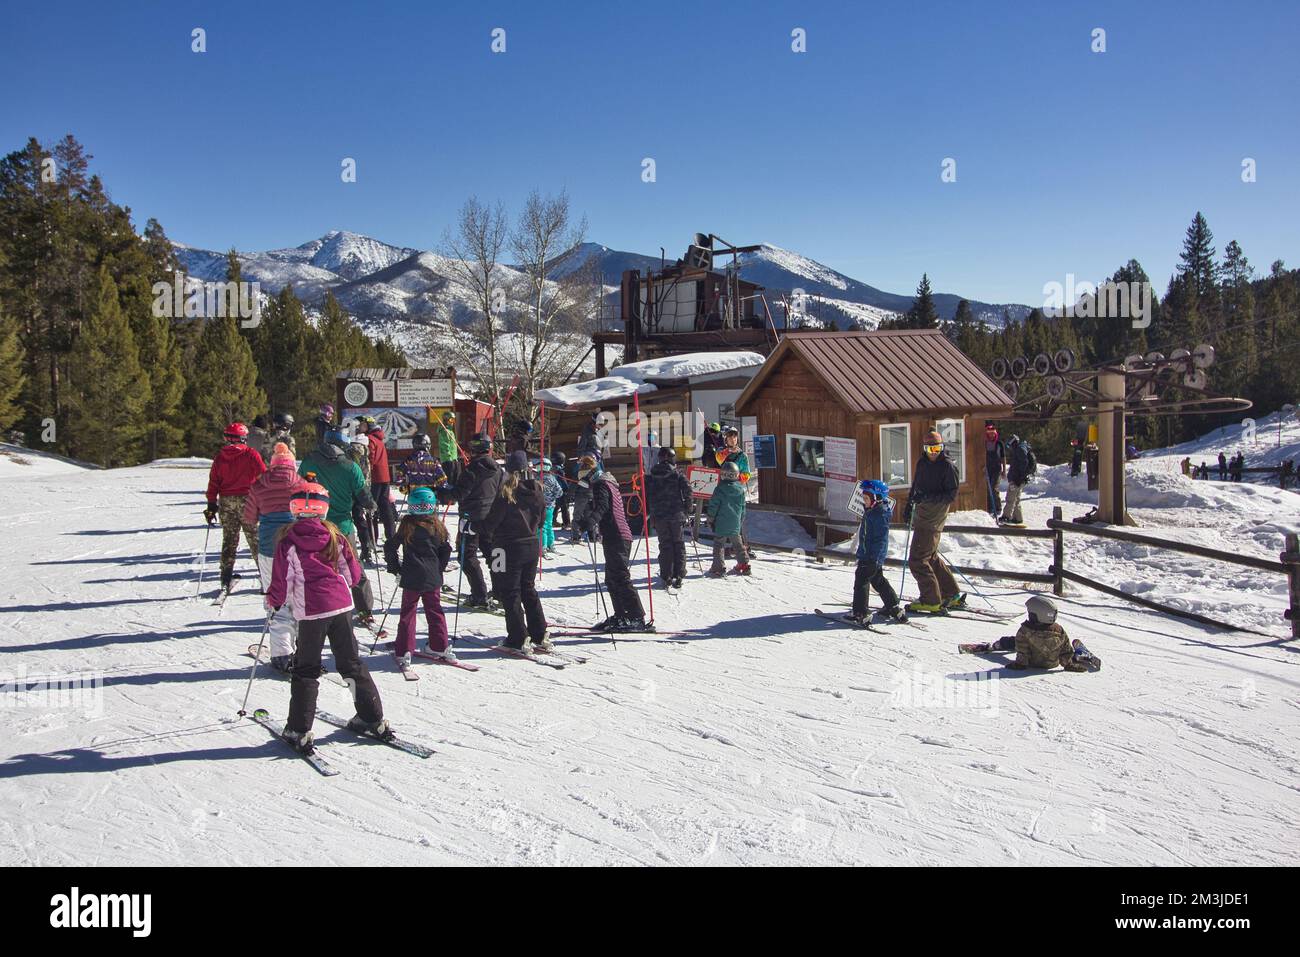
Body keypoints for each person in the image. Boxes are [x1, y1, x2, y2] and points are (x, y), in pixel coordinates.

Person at [266, 483, 388, 753]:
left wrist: (274, 602)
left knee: (306, 668)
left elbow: (281, 580)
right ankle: (371, 717)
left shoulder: (288, 541)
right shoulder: (334, 535)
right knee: (350, 663)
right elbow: (353, 575)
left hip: (312, 611)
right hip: (341, 607)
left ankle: (299, 729)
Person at [299, 426, 377, 624]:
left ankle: (316, 603)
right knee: (353, 566)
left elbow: (301, 487)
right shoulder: (351, 467)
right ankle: (365, 609)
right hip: (342, 525)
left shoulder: (309, 462)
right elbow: (363, 495)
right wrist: (371, 505)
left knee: (315, 566)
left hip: (315, 523)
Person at [242, 442, 308, 672]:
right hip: (297, 547)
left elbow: (249, 517)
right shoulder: (301, 483)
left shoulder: (260, 484)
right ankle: (303, 647)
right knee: (299, 596)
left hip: (270, 548)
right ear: (291, 463)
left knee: (275, 598)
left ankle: (281, 653)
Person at [477, 450, 549, 652]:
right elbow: (542, 520)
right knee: (528, 589)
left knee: (510, 591)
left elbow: (491, 522)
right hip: (531, 545)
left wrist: (476, 526)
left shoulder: (506, 494)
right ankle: (539, 633)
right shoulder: (537, 491)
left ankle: (518, 637)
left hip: (508, 547)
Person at [384, 486, 454, 669]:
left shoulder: (407, 525)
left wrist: (395, 568)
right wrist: (439, 568)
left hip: (412, 576)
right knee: (435, 610)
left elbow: (390, 547)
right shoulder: (437, 525)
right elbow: (445, 550)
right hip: (432, 577)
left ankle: (405, 650)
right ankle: (439, 645)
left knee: (408, 612)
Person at [578, 454, 648, 630]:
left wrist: (590, 521)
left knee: (620, 577)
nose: (584, 483)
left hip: (617, 535)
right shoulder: (608, 482)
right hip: (614, 535)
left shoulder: (601, 484)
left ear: (589, 473)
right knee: (611, 578)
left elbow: (602, 507)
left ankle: (636, 617)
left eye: (584, 478)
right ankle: (621, 615)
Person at [903, 429, 962, 614]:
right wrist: (909, 504)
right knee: (930, 556)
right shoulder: (922, 463)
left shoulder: (947, 466)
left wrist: (928, 497)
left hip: (933, 517)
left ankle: (930, 600)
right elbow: (916, 486)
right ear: (925, 448)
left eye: (937, 448)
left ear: (942, 447)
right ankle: (950, 593)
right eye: (930, 449)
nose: (934, 452)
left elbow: (951, 494)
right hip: (922, 513)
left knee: (918, 559)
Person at [204, 422, 267, 591]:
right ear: (244, 438)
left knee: (229, 540)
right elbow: (264, 477)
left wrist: (211, 504)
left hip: (227, 502)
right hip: (248, 501)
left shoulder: (220, 457)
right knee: (255, 540)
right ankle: (265, 575)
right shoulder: (251, 454)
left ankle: (225, 577)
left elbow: (213, 482)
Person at [449, 432, 502, 609]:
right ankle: (502, 592)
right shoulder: (499, 470)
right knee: (494, 554)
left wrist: (439, 492)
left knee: (467, 556)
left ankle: (479, 595)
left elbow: (459, 493)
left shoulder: (471, 470)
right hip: (492, 520)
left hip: (471, 519)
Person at [976, 596, 1092, 672]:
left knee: (1012, 641)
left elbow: (1022, 651)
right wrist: (1069, 665)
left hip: (1033, 663)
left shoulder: (1025, 631)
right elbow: (1065, 651)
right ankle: (1078, 656)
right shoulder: (1059, 630)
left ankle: (997, 645)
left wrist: (1019, 665)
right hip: (1052, 664)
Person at [851, 480, 904, 622]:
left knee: (861, 580)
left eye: (867, 498)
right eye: (864, 498)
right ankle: (893, 606)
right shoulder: (872, 512)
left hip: (871, 556)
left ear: (877, 498)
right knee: (878, 580)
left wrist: (874, 558)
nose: (864, 501)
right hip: (871, 555)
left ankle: (861, 612)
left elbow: (880, 540)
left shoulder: (879, 515)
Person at [646, 446, 691, 588]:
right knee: (678, 543)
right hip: (676, 515)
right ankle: (679, 574)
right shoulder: (677, 474)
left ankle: (666, 575)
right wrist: (687, 509)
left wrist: (650, 512)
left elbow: (647, 495)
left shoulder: (651, 476)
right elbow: (688, 492)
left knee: (665, 544)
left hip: (659, 516)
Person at [705, 460, 750, 577]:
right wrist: (740, 520)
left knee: (719, 544)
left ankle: (718, 567)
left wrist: (710, 518)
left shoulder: (719, 489)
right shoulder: (740, 490)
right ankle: (744, 564)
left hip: (721, 523)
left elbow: (714, 506)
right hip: (735, 522)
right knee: (738, 544)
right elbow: (743, 508)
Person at [364, 418, 398, 542]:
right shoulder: (379, 439)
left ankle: (372, 538)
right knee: (385, 506)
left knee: (371, 507)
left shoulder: (370, 439)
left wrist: (366, 468)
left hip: (375, 478)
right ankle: (391, 534)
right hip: (384, 477)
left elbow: (370, 457)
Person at [347, 433, 374, 562]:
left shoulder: (347, 453)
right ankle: (366, 548)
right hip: (361, 491)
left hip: (347, 491)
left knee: (346, 519)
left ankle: (346, 548)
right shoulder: (365, 457)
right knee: (360, 520)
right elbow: (367, 476)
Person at [396, 433, 448, 499]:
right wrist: (439, 489)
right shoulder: (434, 462)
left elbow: (399, 477)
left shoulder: (408, 461)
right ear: (428, 445)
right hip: (430, 498)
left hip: (414, 497)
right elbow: (443, 480)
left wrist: (404, 488)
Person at [999, 433, 1035, 525]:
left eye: (1009, 445)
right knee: (1016, 498)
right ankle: (1018, 518)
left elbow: (1024, 463)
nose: (1009, 448)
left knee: (1010, 498)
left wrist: (1019, 478)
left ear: (1013, 442)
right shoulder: (1021, 448)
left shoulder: (1019, 449)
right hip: (1019, 479)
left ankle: (1006, 517)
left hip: (1016, 479)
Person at [568, 450, 593, 544]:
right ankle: (593, 535)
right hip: (591, 496)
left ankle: (575, 536)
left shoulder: (579, 473)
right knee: (590, 515)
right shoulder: (594, 472)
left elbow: (573, 485)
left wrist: (569, 495)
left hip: (581, 497)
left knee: (577, 516)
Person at [540, 457, 564, 554]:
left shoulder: (537, 478)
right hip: (549, 506)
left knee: (542, 526)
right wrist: (552, 497)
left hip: (540, 506)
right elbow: (559, 492)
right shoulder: (552, 479)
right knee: (548, 525)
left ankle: (543, 546)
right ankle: (550, 544)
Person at [435, 411, 462, 488]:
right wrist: (450, 460)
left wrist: (455, 459)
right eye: (451, 420)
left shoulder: (450, 431)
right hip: (448, 461)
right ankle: (448, 496)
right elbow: (445, 446)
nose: (453, 422)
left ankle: (453, 496)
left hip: (453, 459)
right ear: (446, 420)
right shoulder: (444, 431)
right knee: (450, 480)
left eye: (454, 420)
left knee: (455, 480)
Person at [984, 424, 1005, 518]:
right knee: (988, 488)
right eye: (989, 434)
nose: (991, 435)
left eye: (993, 433)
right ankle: (989, 507)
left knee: (994, 488)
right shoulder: (985, 443)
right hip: (988, 468)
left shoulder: (999, 444)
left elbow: (1003, 457)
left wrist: (1004, 470)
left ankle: (998, 507)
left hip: (996, 469)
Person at [552, 450, 571, 529]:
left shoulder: (551, 468)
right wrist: (567, 489)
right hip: (561, 491)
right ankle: (566, 523)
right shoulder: (560, 471)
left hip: (553, 491)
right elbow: (563, 481)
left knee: (555, 507)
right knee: (564, 507)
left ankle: (553, 521)